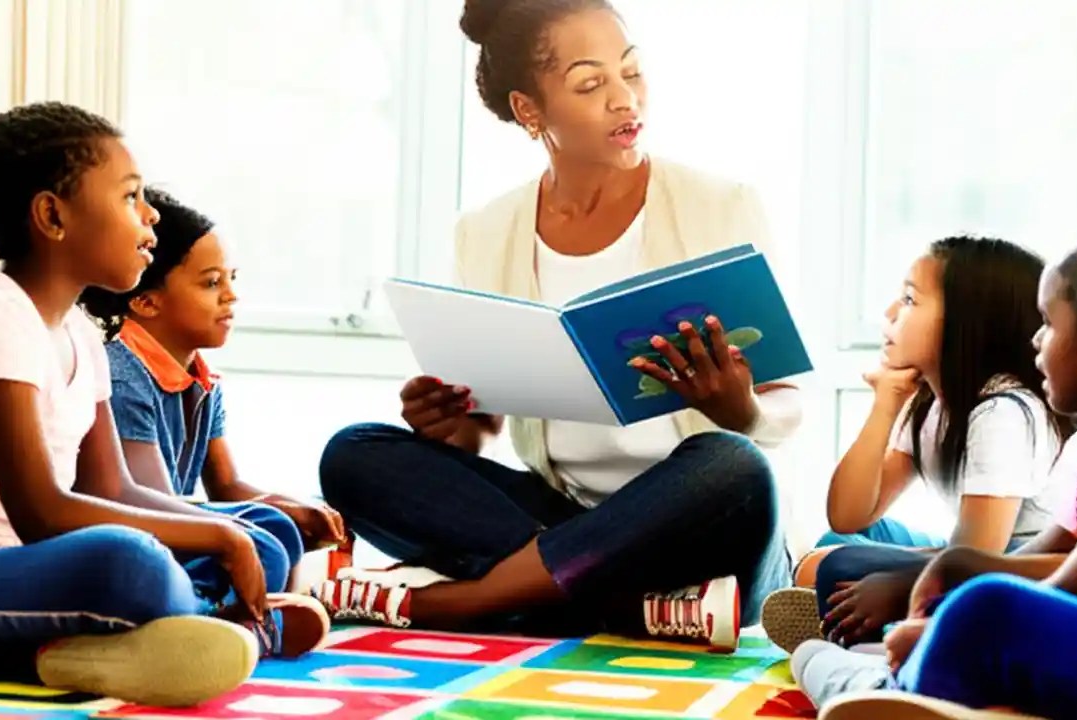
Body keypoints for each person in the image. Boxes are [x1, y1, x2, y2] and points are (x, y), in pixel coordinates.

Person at [313, 0, 801, 651]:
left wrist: (742, 411)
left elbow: (786, 402)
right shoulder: (486, 232)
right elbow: (487, 421)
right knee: (353, 455)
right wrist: (450, 423)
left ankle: (474, 603)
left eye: (631, 72)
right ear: (529, 110)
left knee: (732, 465)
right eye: (591, 84)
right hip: (559, 520)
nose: (625, 100)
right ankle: (630, 607)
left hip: (702, 528)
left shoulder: (721, 206)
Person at [0, 102, 316, 708]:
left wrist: (230, 532)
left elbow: (113, 489)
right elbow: (39, 511)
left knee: (267, 535)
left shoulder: (83, 335)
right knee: (129, 562)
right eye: (130, 198)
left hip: (43, 564)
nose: (151, 217)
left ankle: (116, 645)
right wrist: (218, 540)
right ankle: (234, 626)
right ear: (52, 216)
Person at [802, 196, 1077, 719]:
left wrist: (946, 616)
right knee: (963, 595)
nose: (1037, 339)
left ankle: (890, 688)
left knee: (987, 610)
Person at [763, 237, 1074, 651]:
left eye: (909, 299)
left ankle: (862, 621)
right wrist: (885, 405)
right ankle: (851, 617)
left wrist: (893, 578)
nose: (889, 313)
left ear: (967, 321)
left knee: (836, 565)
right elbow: (848, 515)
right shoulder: (932, 404)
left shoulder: (1003, 413)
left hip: (1016, 564)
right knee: (831, 550)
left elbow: (981, 551)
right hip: (967, 552)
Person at [78, 188, 347, 594]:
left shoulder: (202, 380)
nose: (231, 295)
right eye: (211, 283)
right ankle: (214, 613)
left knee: (279, 527)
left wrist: (295, 507)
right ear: (148, 303)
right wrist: (256, 519)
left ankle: (248, 609)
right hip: (141, 529)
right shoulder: (122, 375)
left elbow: (226, 485)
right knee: (267, 541)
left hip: (176, 527)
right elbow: (150, 500)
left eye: (231, 278)